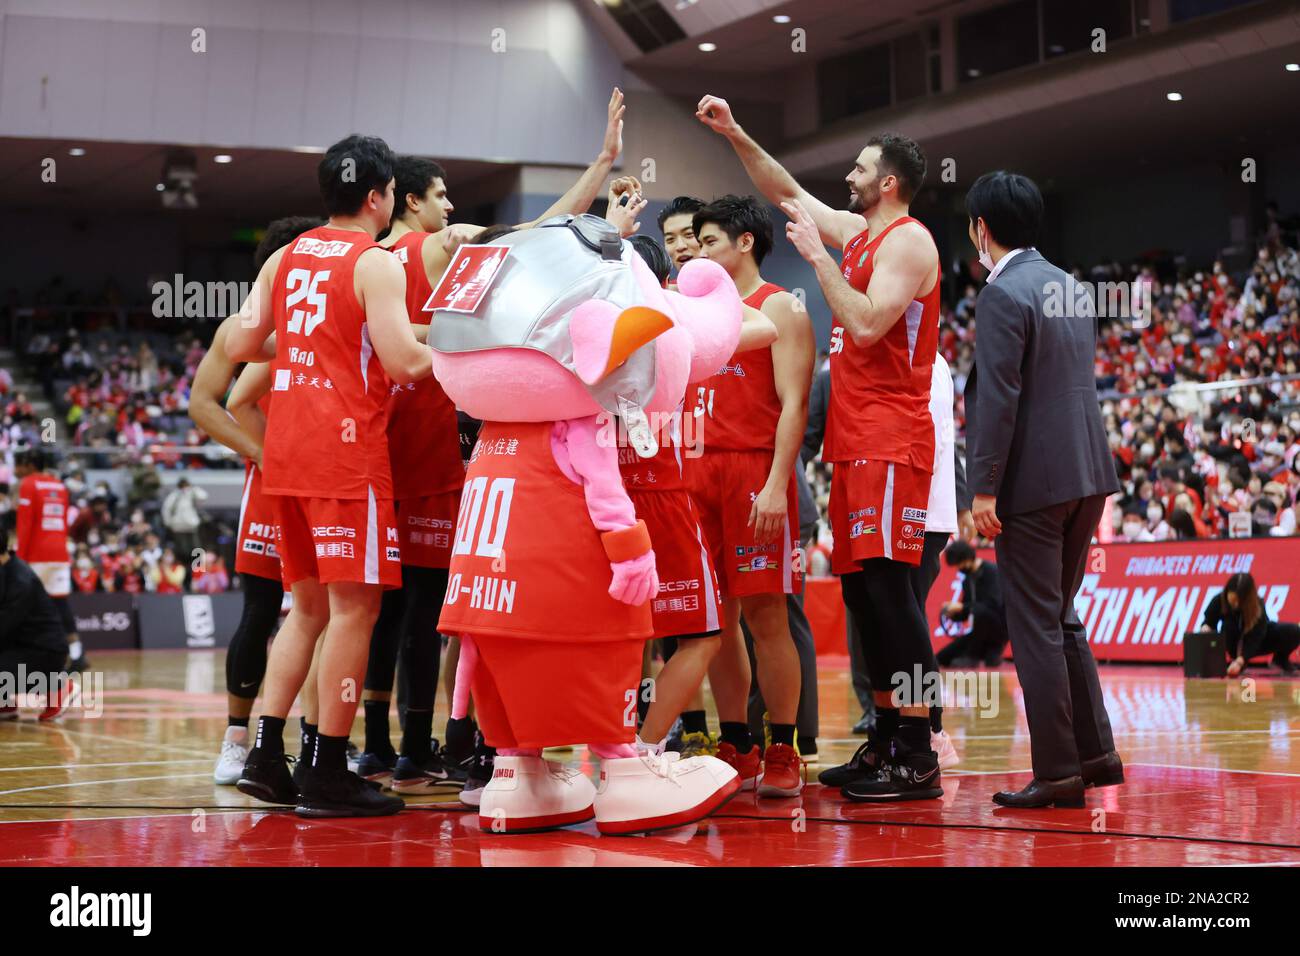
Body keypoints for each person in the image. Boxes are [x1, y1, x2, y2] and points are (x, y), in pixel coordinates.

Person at [700, 93, 943, 802]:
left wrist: (815, 257)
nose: (850, 177)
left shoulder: (909, 241)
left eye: (862, 169)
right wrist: (737, 131)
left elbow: (866, 324)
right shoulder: (862, 234)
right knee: (866, 595)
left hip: (893, 438)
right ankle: (884, 738)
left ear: (888, 182)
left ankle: (918, 748)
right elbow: (786, 190)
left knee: (895, 598)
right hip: (853, 439)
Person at [226, 133, 435, 818]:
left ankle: (264, 753)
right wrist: (466, 341)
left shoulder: (286, 255)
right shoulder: (375, 262)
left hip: (286, 455)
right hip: (346, 462)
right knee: (355, 611)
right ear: (380, 197)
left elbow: (240, 345)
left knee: (306, 609)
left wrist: (318, 342)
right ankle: (325, 767)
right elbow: (405, 364)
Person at [962, 170, 1123, 809]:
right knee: (1061, 618)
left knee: (1035, 627)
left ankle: (1057, 772)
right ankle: (1095, 755)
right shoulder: (1071, 286)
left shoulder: (1003, 294)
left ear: (982, 228)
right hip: (1087, 473)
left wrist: (983, 489)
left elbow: (1000, 396)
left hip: (1032, 483)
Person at [683, 194, 814, 797]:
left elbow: (795, 404)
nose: (696, 250)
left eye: (709, 240)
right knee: (713, 621)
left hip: (752, 472)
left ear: (744, 243)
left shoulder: (781, 307)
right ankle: (735, 740)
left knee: (766, 616)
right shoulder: (690, 307)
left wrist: (775, 486)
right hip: (694, 475)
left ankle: (783, 749)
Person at [188, 215, 321, 786]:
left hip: (325, 484)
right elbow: (220, 402)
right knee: (262, 611)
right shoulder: (262, 331)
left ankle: (313, 745)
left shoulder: (318, 321)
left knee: (321, 615)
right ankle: (237, 740)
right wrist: (267, 456)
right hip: (275, 488)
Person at [12, 448, 85, 672]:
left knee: (23, 607)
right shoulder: (60, 486)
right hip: (59, 554)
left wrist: (19, 560)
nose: (15, 469)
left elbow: (25, 525)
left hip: (36, 555)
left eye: (18, 464)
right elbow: (62, 522)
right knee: (60, 604)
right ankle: (77, 654)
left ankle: (29, 657)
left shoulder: (28, 484)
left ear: (29, 464)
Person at [0, 540, 74, 721]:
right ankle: (4, 701)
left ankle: (59, 687)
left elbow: (4, 626)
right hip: (22, 645)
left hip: (44, 651)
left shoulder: (20, 580)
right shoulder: (8, 570)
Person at [1201, 573, 1299, 676]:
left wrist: (1241, 660)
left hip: (1257, 642)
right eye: (1233, 601)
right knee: (1227, 626)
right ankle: (1232, 662)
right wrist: (1206, 627)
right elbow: (1209, 621)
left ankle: (1280, 659)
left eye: (1239, 601)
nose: (1236, 605)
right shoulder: (1219, 600)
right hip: (1233, 643)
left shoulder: (1257, 605)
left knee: (1294, 631)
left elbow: (1256, 636)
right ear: (1227, 592)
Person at [935, 540, 1007, 668]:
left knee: (981, 613)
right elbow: (967, 610)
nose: (958, 568)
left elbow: (992, 605)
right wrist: (954, 613)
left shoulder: (992, 572)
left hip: (998, 627)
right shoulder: (967, 579)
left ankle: (974, 656)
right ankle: (978, 655)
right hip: (978, 631)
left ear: (968, 558)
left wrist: (962, 607)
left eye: (959, 564)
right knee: (940, 657)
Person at [160, 477, 207, 581]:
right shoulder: (174, 496)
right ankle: (183, 578)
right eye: (183, 485)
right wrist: (169, 523)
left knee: (197, 551)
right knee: (182, 553)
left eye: (186, 485)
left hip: (192, 527)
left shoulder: (192, 494)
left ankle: (198, 578)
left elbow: (203, 496)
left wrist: (193, 489)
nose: (185, 488)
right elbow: (166, 509)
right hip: (178, 528)